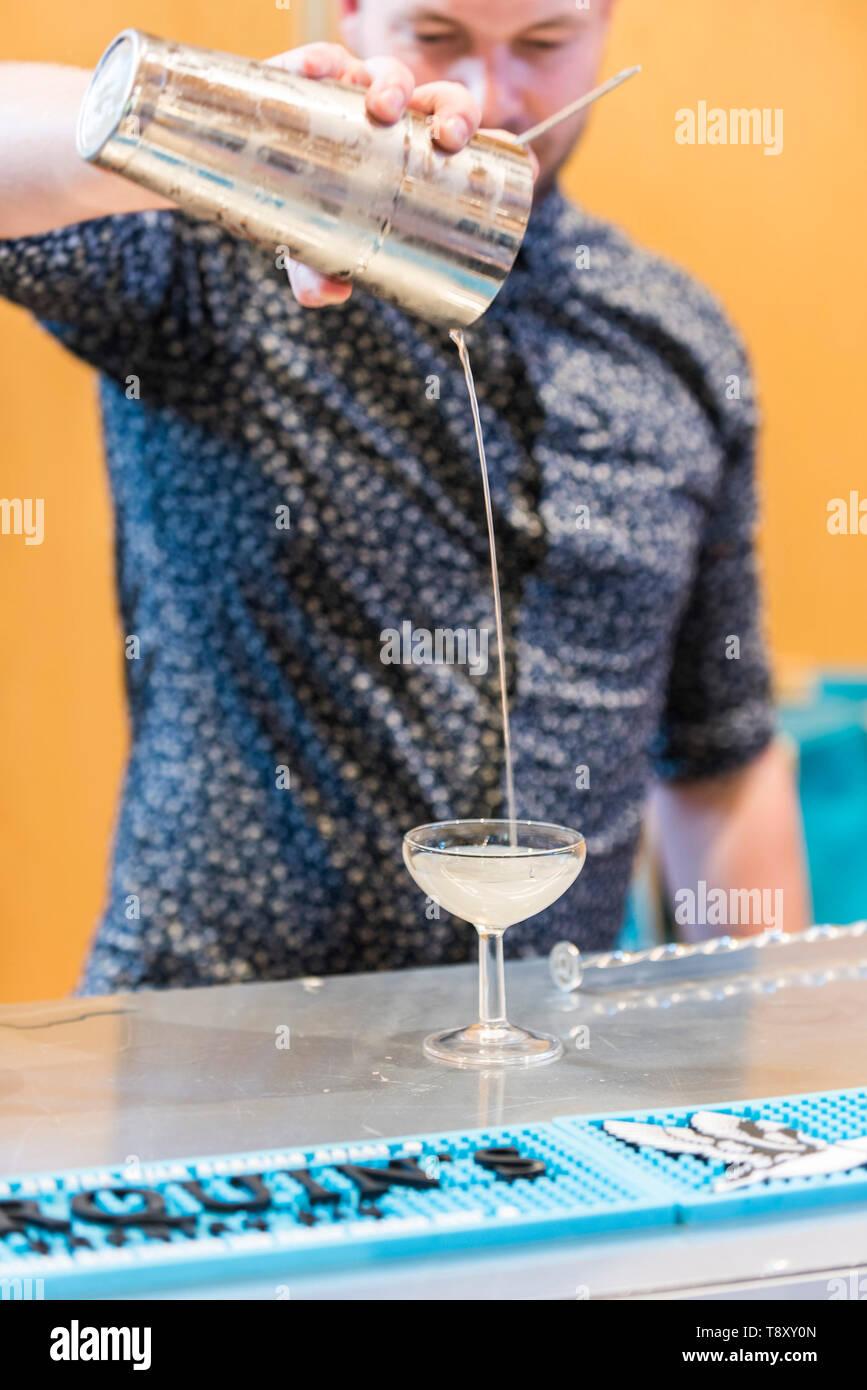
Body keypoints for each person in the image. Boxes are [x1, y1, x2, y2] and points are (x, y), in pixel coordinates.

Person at [0, 0, 810, 994]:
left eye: (545, 46)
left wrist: (763, 1061)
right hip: (209, 1050)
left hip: (545, 1076)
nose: (490, 98)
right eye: (439, 36)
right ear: (352, 12)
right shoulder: (203, 252)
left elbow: (720, 756)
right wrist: (235, 137)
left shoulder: (677, 338)